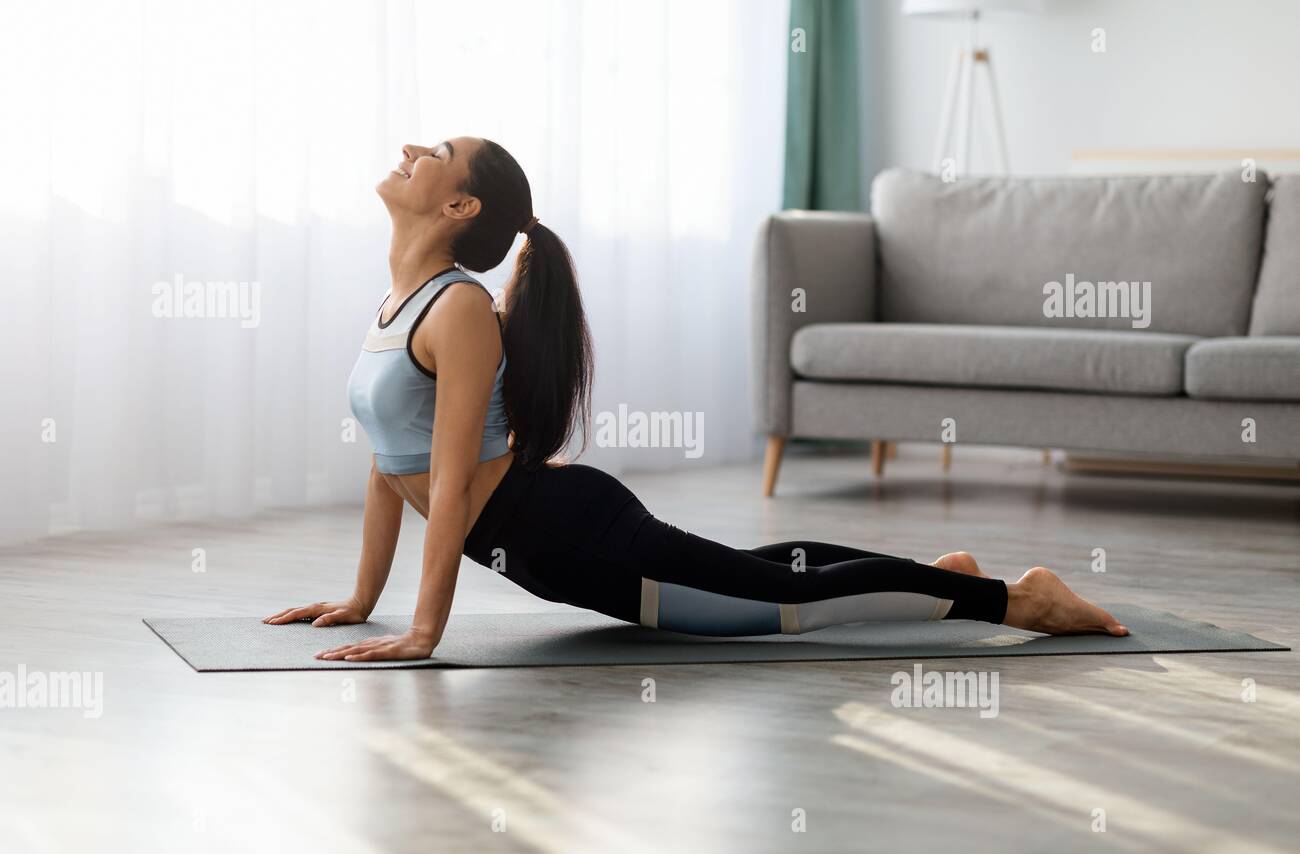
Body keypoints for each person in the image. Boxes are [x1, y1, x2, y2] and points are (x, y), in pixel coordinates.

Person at [264, 137, 1128, 662]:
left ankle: (1020, 600)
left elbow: (448, 486)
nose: (413, 147)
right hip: (547, 540)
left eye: (437, 155)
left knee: (783, 606)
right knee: (752, 573)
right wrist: (361, 598)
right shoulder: (398, 308)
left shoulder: (458, 311)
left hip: (566, 535)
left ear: (459, 205)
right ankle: (936, 578)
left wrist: (424, 632)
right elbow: (391, 469)